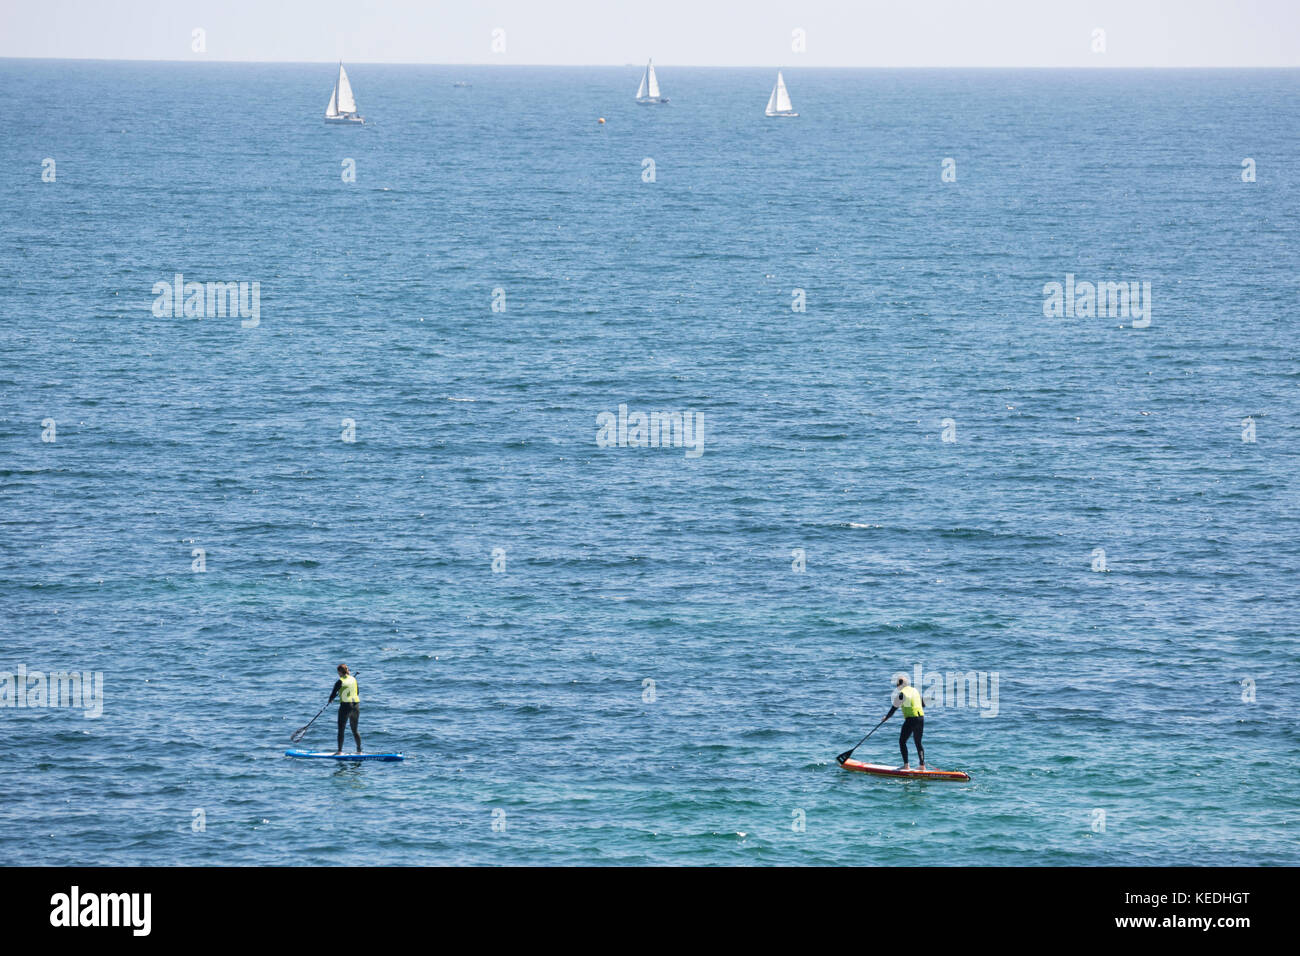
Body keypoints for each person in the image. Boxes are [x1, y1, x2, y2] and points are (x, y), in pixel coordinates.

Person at [884, 675, 925, 770]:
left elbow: (893, 709)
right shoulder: (915, 691)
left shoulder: (902, 694)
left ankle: (906, 766)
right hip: (921, 718)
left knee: (902, 741)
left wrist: (886, 717)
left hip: (911, 719)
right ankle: (922, 766)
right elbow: (923, 704)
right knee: (918, 742)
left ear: (899, 685)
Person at [329, 664, 362, 754]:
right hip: (356, 706)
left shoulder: (340, 681)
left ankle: (339, 751)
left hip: (345, 706)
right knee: (355, 730)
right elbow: (357, 692)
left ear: (340, 672)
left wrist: (330, 700)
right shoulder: (354, 679)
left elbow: (332, 695)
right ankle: (359, 751)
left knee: (341, 729)